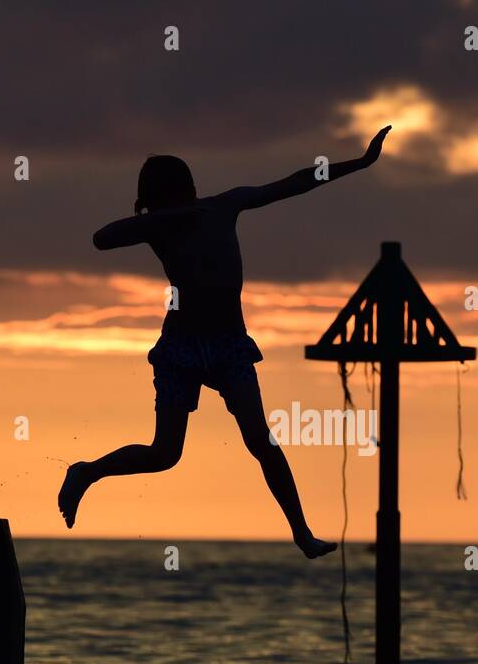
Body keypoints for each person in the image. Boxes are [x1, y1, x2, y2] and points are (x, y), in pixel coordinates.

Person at [57, 126, 392, 558]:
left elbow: (293, 183)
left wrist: (360, 163)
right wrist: (163, 218)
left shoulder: (224, 205)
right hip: (180, 348)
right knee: (165, 453)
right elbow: (101, 239)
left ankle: (301, 533)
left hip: (228, 344)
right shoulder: (159, 225)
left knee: (260, 439)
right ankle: (87, 473)